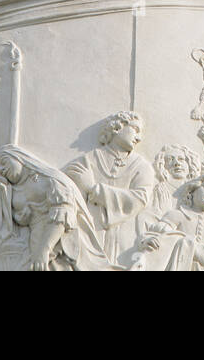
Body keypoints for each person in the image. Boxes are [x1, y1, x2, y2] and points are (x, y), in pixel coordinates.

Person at [64, 111, 156, 265]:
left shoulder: (142, 167)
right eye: (135, 129)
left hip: (124, 243)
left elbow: (139, 198)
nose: (139, 137)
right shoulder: (89, 159)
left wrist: (94, 189)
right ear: (117, 127)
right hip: (89, 237)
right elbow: (65, 187)